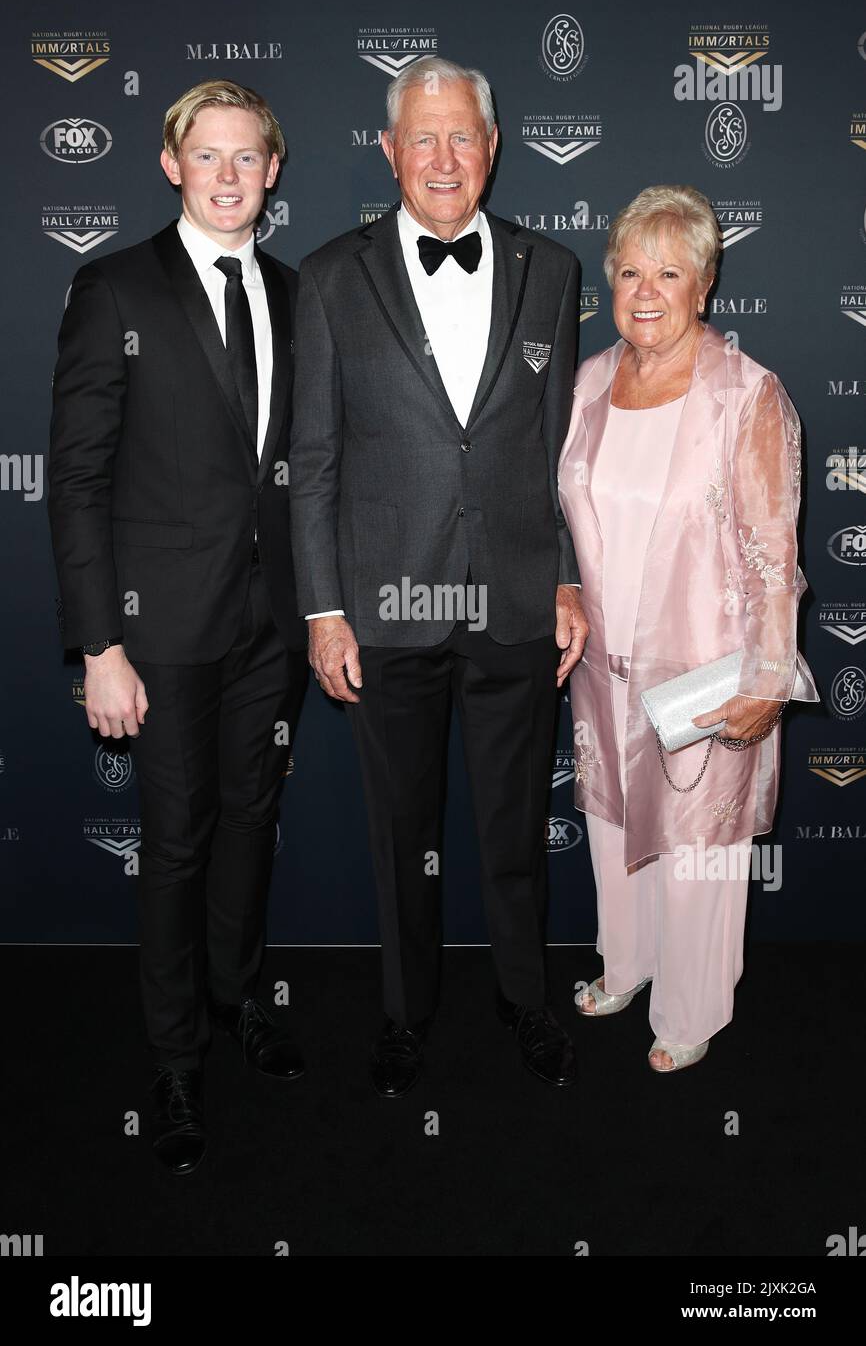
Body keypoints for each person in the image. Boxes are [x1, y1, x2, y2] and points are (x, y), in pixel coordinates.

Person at [290, 56, 588, 1097]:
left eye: (462, 134)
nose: (444, 157)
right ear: (388, 150)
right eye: (423, 137)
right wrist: (324, 610)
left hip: (511, 597)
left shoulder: (552, 271)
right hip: (388, 605)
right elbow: (313, 461)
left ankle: (524, 999)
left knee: (513, 829)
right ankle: (406, 1013)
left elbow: (559, 454)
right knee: (399, 832)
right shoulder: (330, 276)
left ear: (494, 146)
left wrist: (564, 577)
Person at [48, 80, 308, 1174]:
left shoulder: (298, 295)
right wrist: (99, 644)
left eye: (246, 156)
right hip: (156, 628)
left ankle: (235, 991)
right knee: (176, 841)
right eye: (207, 156)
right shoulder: (113, 287)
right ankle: (173, 1058)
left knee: (251, 818)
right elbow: (78, 479)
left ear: (273, 170)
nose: (228, 175)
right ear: (171, 165)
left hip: (271, 623)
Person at [557, 184, 818, 1072]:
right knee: (609, 824)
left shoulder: (746, 395)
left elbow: (773, 552)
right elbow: (568, 518)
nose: (645, 290)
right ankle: (625, 966)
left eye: (669, 271)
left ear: (705, 285)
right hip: (604, 667)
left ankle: (691, 1010)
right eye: (630, 270)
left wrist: (768, 678)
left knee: (700, 845)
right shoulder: (589, 383)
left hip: (706, 674)